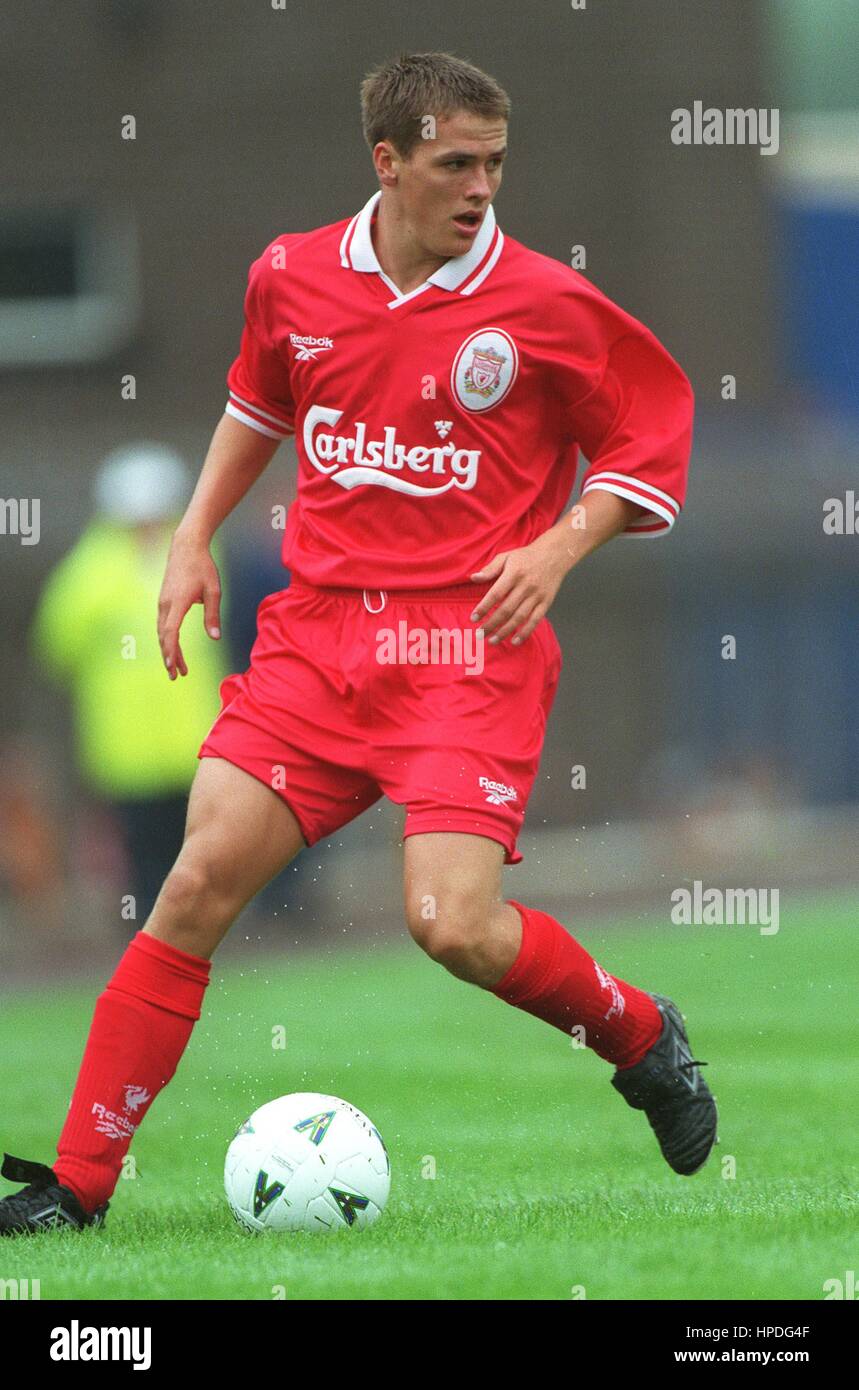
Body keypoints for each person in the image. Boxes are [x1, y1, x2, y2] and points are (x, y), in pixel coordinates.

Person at [1, 51, 715, 1235]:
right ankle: (76, 1188)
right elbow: (257, 405)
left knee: (452, 927)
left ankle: (643, 1035)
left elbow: (650, 431)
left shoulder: (541, 301)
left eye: (494, 162)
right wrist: (191, 537)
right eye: (454, 164)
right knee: (190, 886)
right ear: (387, 163)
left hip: (466, 649)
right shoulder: (290, 274)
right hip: (319, 643)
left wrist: (555, 549)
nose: (481, 186)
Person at [29, 444, 227, 931]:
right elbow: (56, 643)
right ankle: (148, 937)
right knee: (141, 854)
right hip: (127, 747)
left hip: (196, 738)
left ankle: (201, 932)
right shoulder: (91, 570)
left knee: (200, 844)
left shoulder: (201, 553)